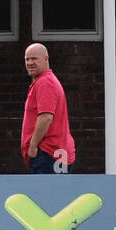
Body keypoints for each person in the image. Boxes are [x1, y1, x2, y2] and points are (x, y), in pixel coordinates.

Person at [21, 42, 76, 174]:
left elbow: (46, 117)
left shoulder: (45, 82)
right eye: (27, 59)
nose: (30, 63)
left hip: (49, 153)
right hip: (53, 152)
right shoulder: (44, 81)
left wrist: (33, 146)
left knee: (48, 193)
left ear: (46, 59)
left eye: (34, 58)